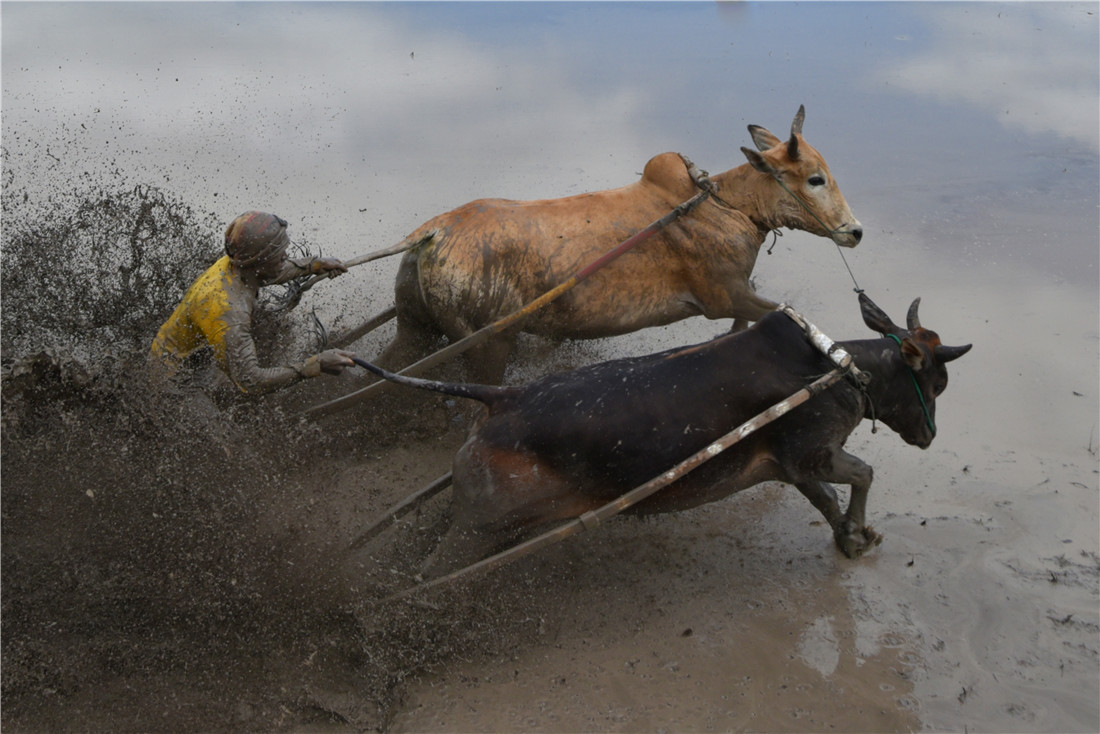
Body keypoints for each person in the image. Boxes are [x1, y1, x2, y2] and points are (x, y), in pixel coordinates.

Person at [150, 211, 354, 395]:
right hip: (173, 378)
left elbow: (271, 272)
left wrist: (314, 264)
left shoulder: (239, 265)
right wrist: (314, 365)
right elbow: (251, 381)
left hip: (200, 352)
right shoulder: (229, 311)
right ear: (258, 261)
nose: (285, 256)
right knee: (214, 423)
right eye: (279, 255)